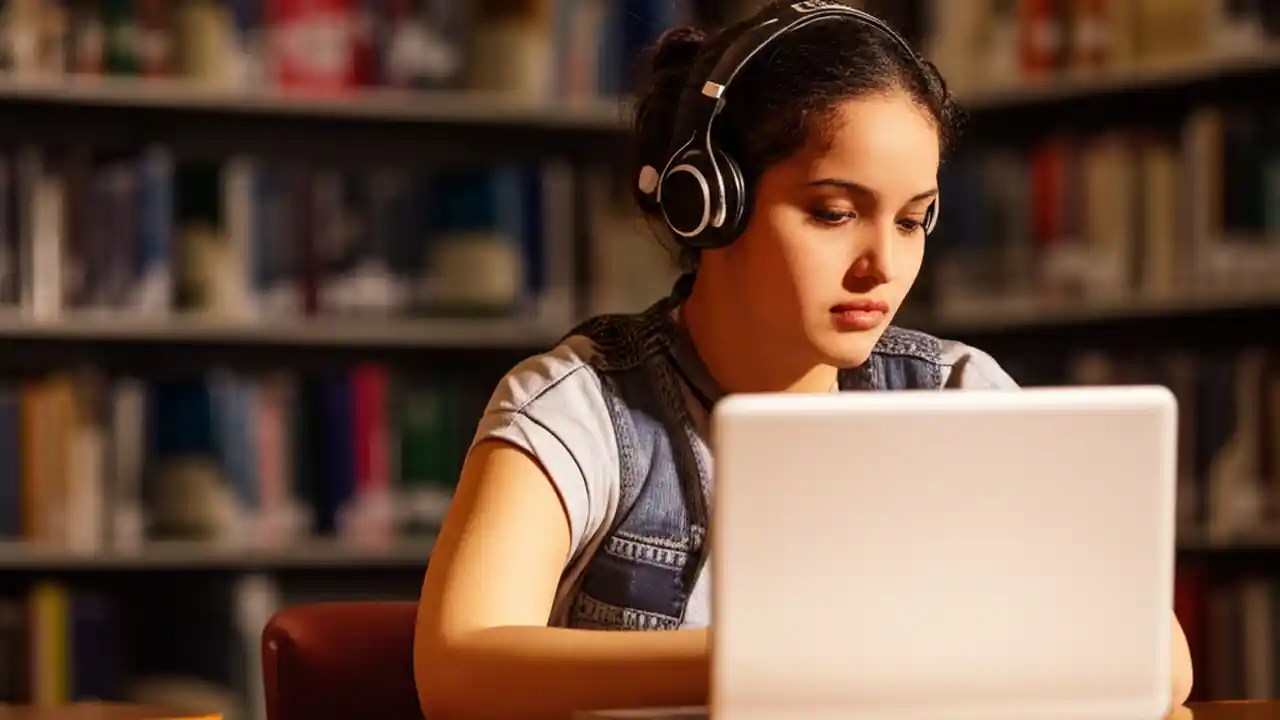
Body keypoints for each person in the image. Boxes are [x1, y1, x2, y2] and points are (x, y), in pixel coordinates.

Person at [413, 3, 1194, 718]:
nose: (882, 265)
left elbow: (1161, 663)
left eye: (915, 220)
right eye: (834, 212)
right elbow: (459, 668)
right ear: (709, 200)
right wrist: (779, 664)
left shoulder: (957, 393)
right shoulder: (580, 406)